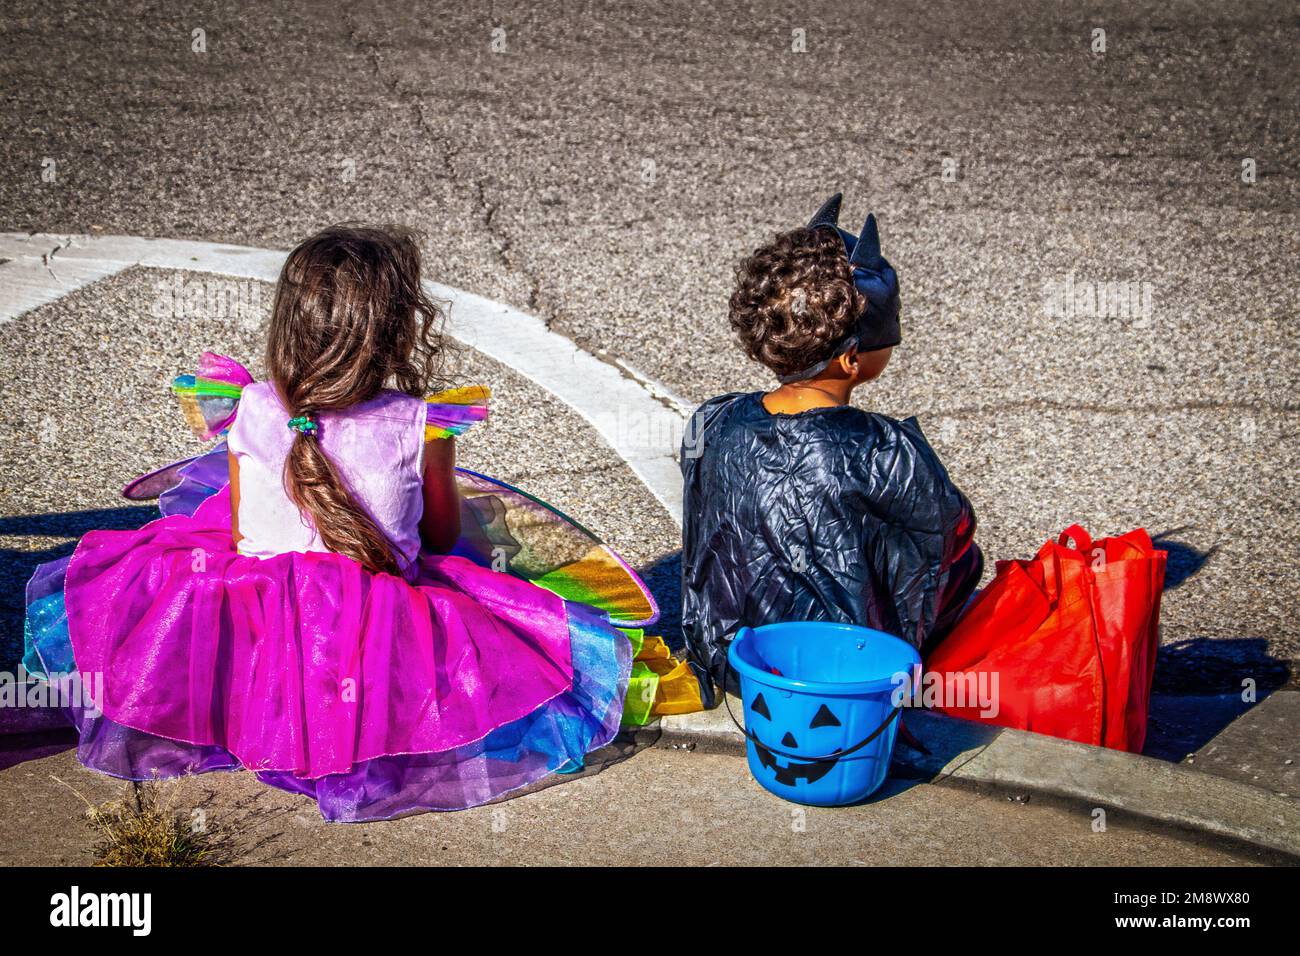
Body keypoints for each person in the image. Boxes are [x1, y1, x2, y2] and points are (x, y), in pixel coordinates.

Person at [20, 224, 696, 822]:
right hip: (369, 635)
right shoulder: (419, 423)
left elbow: (236, 532)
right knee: (491, 600)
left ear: (288, 325)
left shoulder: (246, 405)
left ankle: (238, 720)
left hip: (247, 626)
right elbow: (434, 537)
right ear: (399, 331)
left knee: (204, 587)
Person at [680, 195, 982, 707]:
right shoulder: (887, 449)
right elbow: (950, 535)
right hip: (838, 676)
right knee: (964, 561)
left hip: (731, 656)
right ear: (850, 359)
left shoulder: (711, 419)